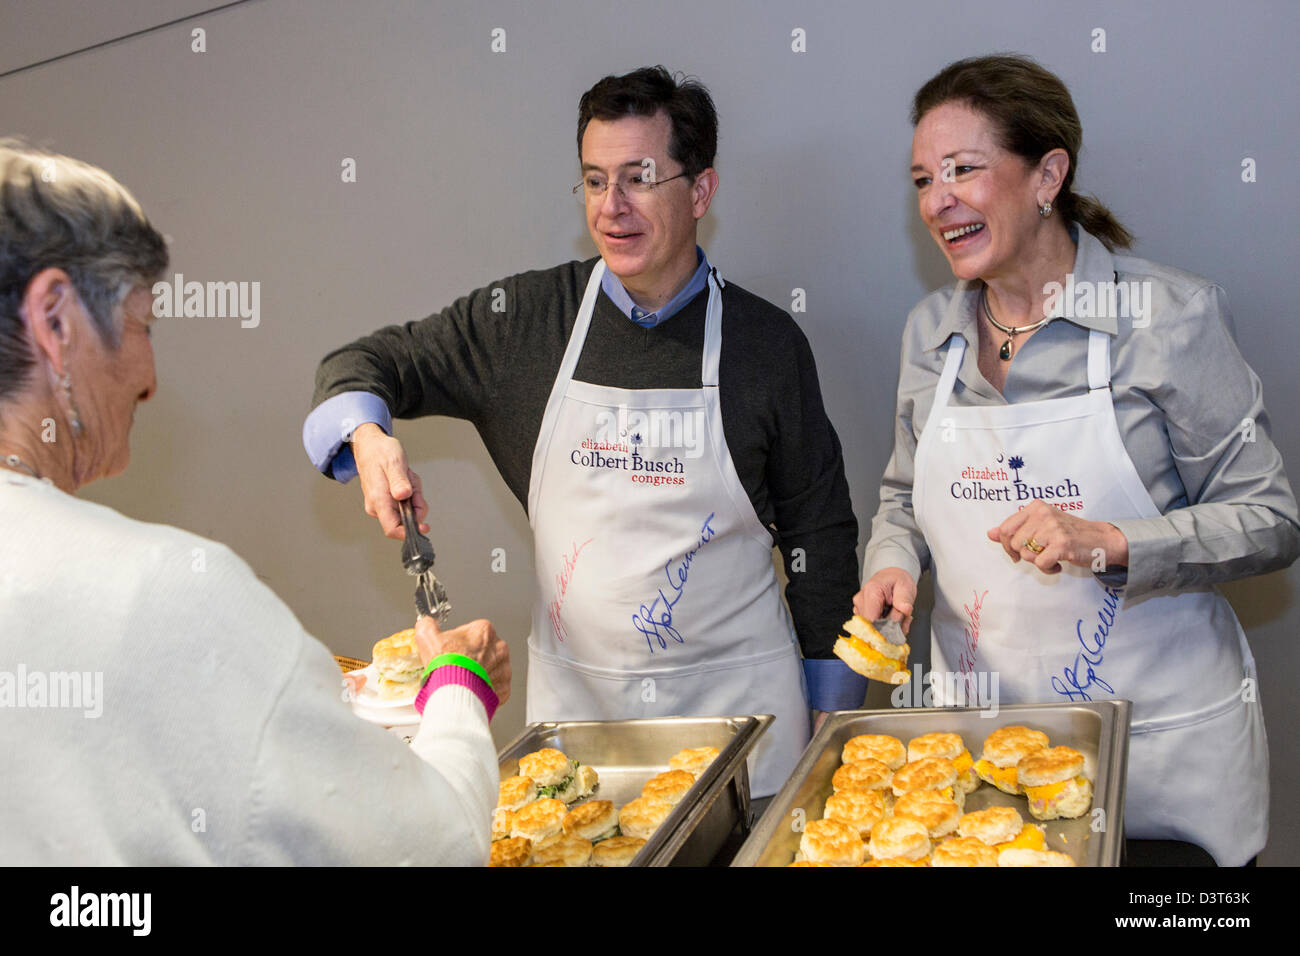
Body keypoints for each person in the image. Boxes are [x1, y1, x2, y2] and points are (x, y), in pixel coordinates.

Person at [302, 66, 861, 797]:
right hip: (583, 742)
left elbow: (819, 534)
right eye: (595, 181)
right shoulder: (525, 324)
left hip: (747, 742)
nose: (613, 208)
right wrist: (366, 437)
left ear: (699, 191)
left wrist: (833, 717)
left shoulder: (766, 345)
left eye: (639, 177)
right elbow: (365, 361)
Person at [0, 139, 510, 865]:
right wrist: (459, 688)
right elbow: (432, 848)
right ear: (54, 321)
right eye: (143, 324)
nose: (149, 379)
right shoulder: (161, 591)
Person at [857, 55, 1300, 866]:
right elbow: (900, 496)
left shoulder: (1167, 317)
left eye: (963, 170)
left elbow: (1271, 521)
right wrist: (894, 565)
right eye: (923, 179)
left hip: (1154, 756)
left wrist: (1113, 543)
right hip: (981, 756)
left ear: (1047, 174)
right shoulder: (931, 332)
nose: (937, 199)